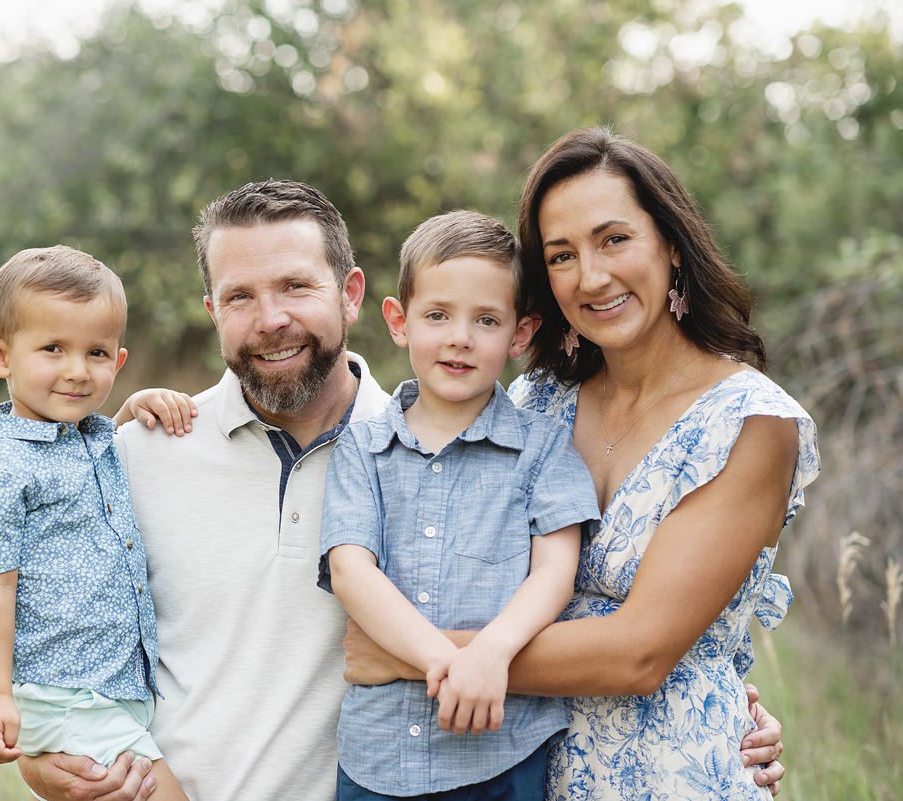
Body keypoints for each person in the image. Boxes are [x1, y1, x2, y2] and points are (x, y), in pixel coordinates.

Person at [16, 180, 789, 801]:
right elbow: (69, 638)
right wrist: (53, 751)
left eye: (296, 285)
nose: (272, 319)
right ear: (212, 309)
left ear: (352, 293)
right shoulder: (140, 452)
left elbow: (616, 619)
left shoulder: (446, 444)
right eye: (241, 296)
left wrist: (717, 698)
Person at [343, 128, 818, 800]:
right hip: (520, 766)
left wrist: (404, 656)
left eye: (614, 239)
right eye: (562, 255)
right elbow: (424, 493)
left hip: (675, 775)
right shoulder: (537, 400)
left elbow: (640, 653)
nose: (591, 276)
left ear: (672, 246)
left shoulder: (749, 423)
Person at [318, 211, 600, 800]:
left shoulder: (543, 446)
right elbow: (350, 569)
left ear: (520, 335)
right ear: (399, 321)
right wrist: (446, 663)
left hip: (503, 754)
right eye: (438, 315)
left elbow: (555, 570)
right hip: (379, 757)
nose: (460, 337)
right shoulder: (363, 448)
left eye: (487, 320)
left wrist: (492, 654)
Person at [0, 245, 189, 800]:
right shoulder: (0, 471)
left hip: (115, 686)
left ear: (118, 361)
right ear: (0, 356)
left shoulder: (90, 436)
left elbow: (101, 450)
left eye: (96, 352)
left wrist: (136, 406)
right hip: (66, 695)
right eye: (53, 349)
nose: (77, 371)